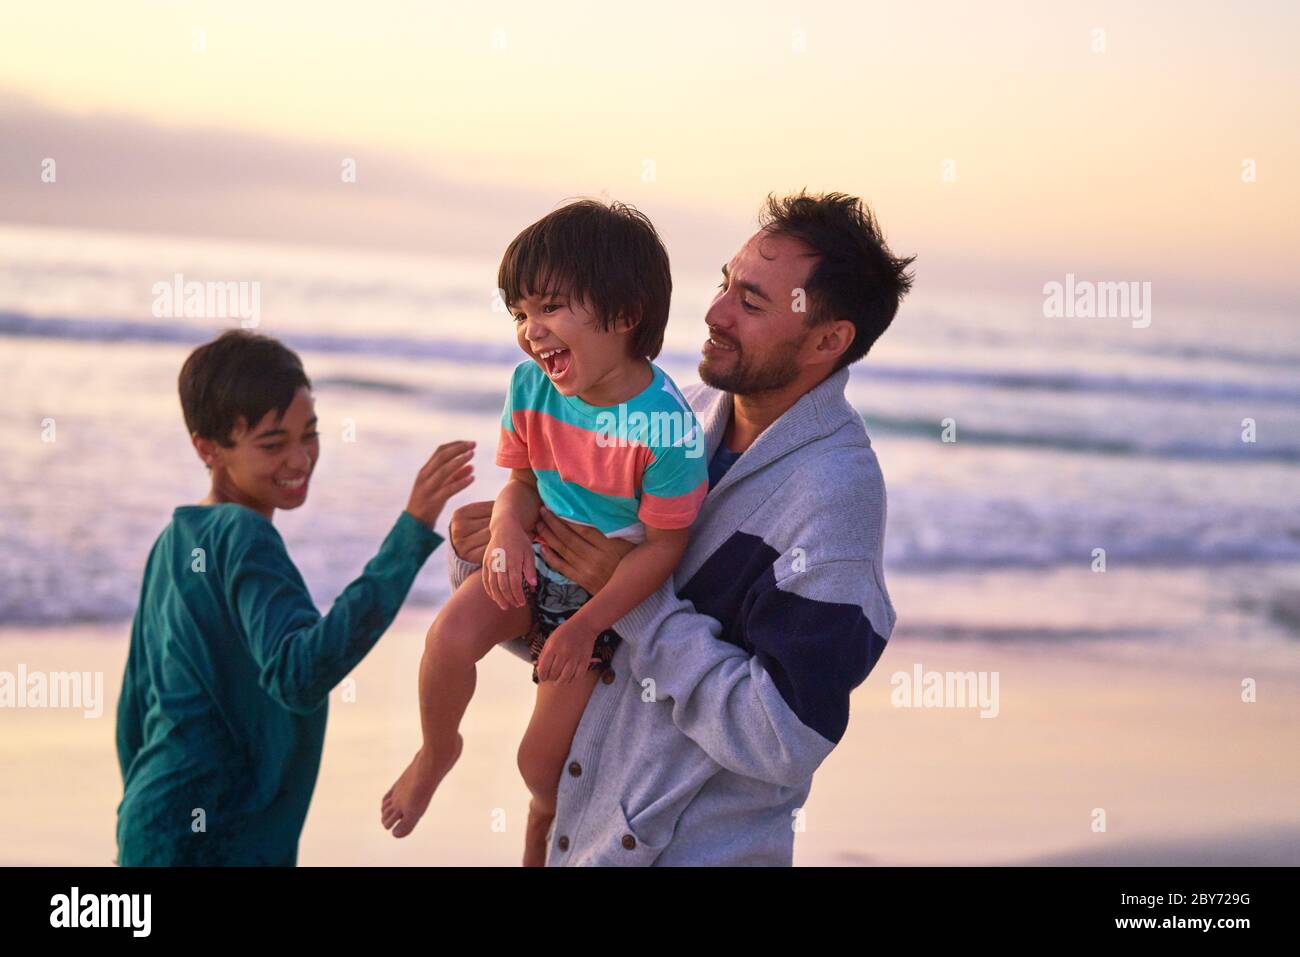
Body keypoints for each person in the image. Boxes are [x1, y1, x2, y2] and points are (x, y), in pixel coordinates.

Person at [446, 190, 915, 864]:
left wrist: (640, 601)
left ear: (828, 339)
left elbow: (784, 738)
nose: (715, 312)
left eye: (751, 304)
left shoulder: (832, 504)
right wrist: (502, 549)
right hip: (582, 838)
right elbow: (590, 642)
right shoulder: (674, 416)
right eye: (726, 283)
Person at [381, 200, 708, 866]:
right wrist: (504, 530)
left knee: (541, 762)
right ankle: (438, 748)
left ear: (625, 313)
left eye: (550, 307)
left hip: (603, 608)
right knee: (447, 638)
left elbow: (665, 547)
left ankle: (543, 817)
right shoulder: (532, 386)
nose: (532, 331)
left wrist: (585, 626)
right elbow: (523, 484)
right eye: (519, 314)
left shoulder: (668, 425)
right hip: (533, 567)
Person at [115, 329, 473, 865]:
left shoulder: (175, 539)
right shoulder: (244, 536)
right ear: (207, 448)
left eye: (309, 434)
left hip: (152, 826)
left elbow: (133, 712)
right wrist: (412, 529)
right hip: (218, 841)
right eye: (272, 444)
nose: (300, 458)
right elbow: (299, 674)